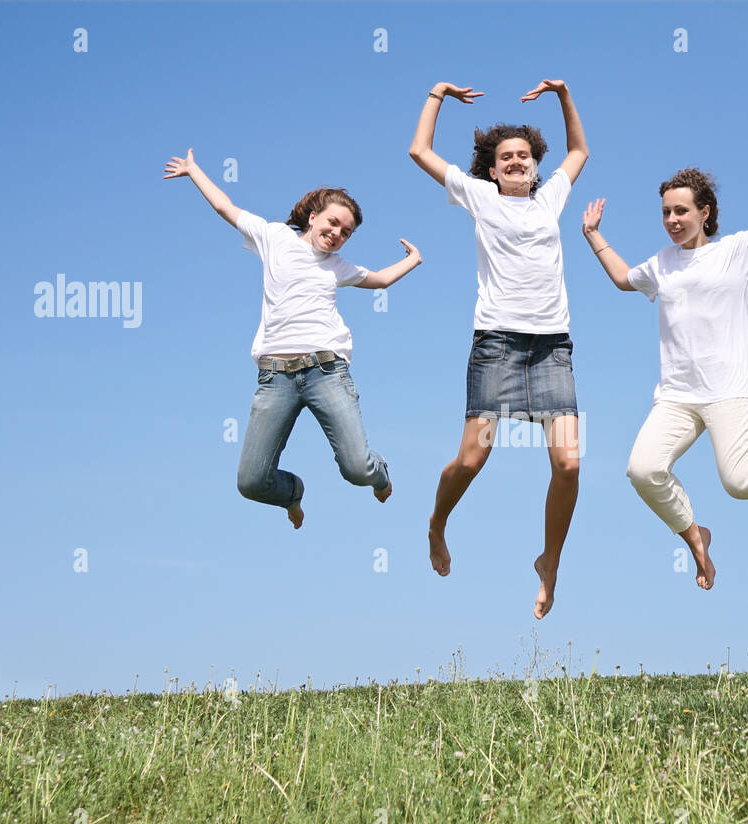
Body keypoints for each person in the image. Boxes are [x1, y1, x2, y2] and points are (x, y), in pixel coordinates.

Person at [580, 126, 748, 589]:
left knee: (741, 484)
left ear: (705, 213)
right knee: (642, 470)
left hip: (728, 391)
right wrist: (592, 235)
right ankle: (694, 534)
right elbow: (625, 279)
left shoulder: (738, 251)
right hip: (677, 397)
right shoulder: (662, 263)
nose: (672, 219)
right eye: (666, 211)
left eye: (681, 211)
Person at [163, 147, 421, 528]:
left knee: (356, 469)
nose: (336, 234)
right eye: (332, 223)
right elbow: (226, 208)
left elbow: (379, 279)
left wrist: (413, 259)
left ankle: (379, 472)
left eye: (345, 232)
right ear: (313, 217)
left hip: (327, 371)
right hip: (275, 378)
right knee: (251, 481)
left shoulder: (339, 267)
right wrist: (194, 170)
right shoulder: (274, 238)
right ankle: (293, 493)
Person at [408, 79, 588, 619]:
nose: (516, 162)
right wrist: (437, 92)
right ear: (492, 168)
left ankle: (549, 564)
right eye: (506, 156)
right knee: (474, 456)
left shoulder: (551, 197)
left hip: (552, 351)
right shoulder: (479, 196)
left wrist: (563, 96)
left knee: (570, 462)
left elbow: (579, 150)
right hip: (497, 350)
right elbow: (419, 151)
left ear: (535, 166)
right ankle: (437, 523)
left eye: (525, 156)